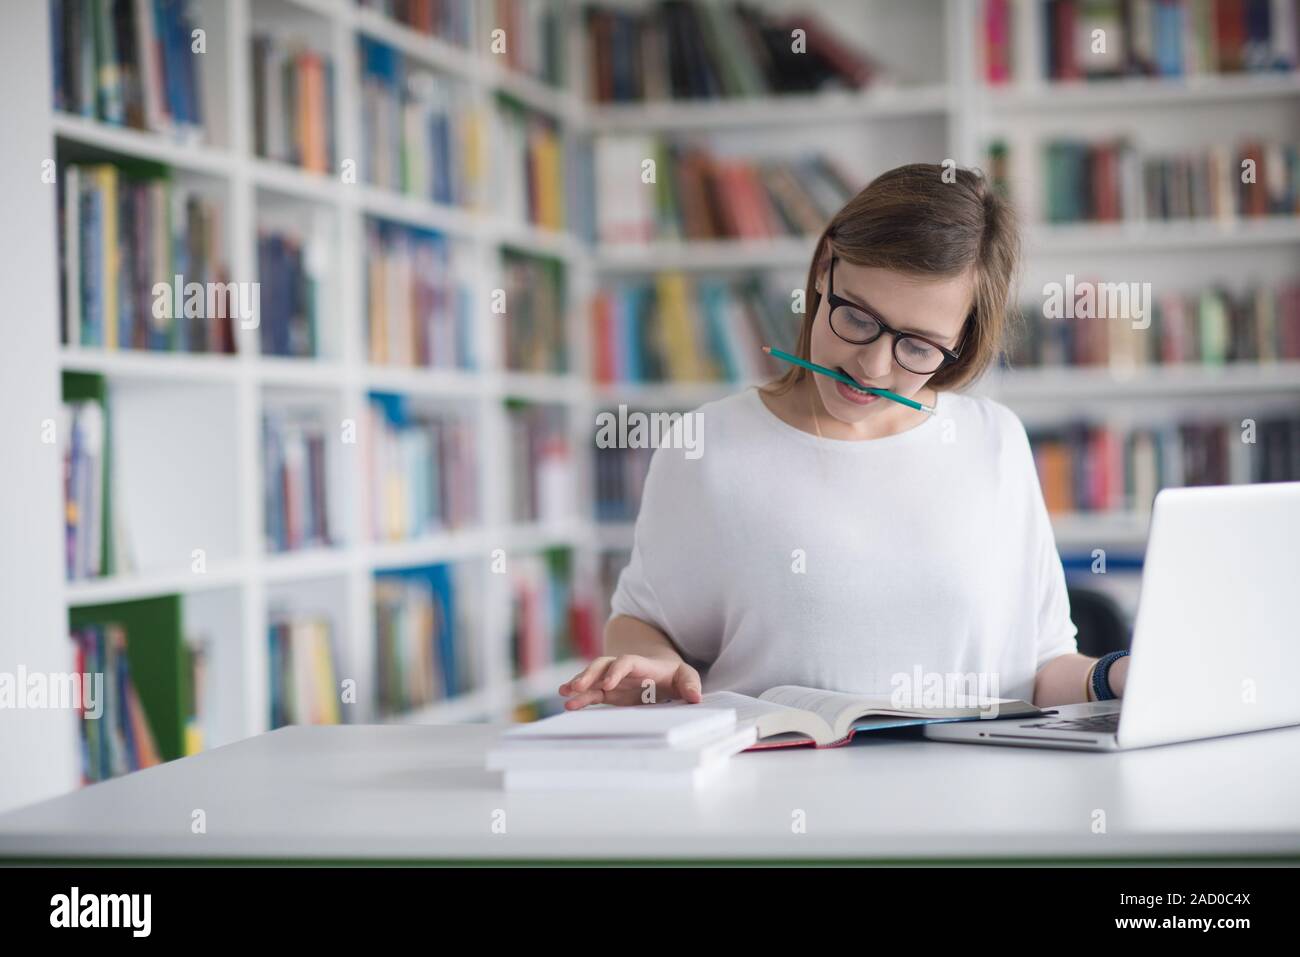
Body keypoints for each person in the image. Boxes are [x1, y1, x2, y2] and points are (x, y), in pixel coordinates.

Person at [560, 163, 1129, 711]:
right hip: (774, 797)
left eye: (919, 345)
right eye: (858, 317)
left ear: (963, 339)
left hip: (972, 799)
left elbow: (1043, 667)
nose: (873, 367)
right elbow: (640, 622)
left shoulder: (995, 441)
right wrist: (653, 665)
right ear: (824, 270)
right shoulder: (706, 445)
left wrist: (1121, 675)